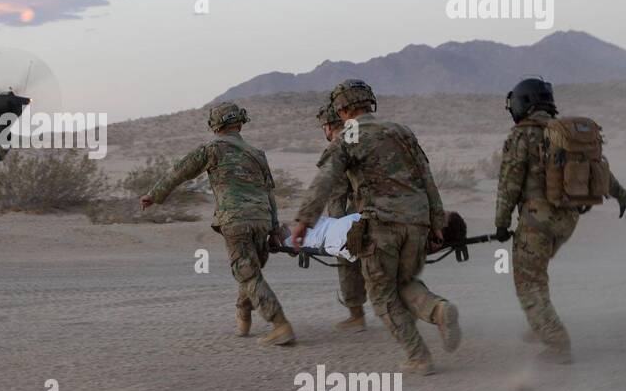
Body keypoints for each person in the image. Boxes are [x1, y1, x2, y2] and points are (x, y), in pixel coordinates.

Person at [291, 80, 460, 375]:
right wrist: (436, 223)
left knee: (381, 296)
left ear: (342, 109)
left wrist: (304, 221)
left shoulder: (347, 138)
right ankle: (438, 310)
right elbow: (427, 179)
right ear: (370, 102)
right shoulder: (401, 131)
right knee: (402, 282)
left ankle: (418, 356)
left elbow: (325, 182)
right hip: (417, 223)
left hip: (382, 226)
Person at [494, 78, 626, 363]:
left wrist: (501, 223)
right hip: (567, 221)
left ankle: (556, 343)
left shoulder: (522, 136)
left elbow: (509, 183)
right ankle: (541, 323)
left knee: (528, 283)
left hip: (537, 222)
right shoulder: (566, 134)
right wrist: (624, 197)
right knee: (537, 275)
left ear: (522, 103)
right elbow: (600, 172)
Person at [141, 102, 295, 345]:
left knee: (247, 274)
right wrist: (274, 228)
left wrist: (154, 194)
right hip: (262, 219)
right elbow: (269, 193)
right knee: (250, 272)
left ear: (215, 126)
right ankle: (243, 316)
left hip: (236, 220)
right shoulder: (257, 154)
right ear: (240, 123)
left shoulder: (212, 149)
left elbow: (180, 171)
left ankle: (279, 325)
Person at [317, 103, 368, 331]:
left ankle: (356, 315)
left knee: (345, 253)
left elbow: (336, 197)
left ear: (328, 126)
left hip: (364, 212)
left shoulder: (339, 147)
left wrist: (336, 233)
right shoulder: (370, 137)